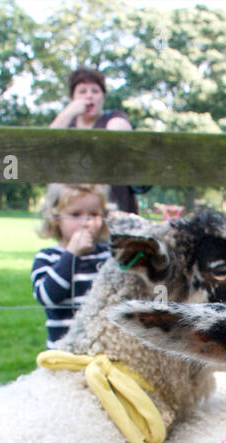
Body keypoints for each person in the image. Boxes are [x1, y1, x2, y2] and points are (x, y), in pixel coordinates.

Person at [50, 67, 141, 215]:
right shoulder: (66, 124)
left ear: (103, 96)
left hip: (114, 204)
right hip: (74, 208)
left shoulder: (114, 117)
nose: (89, 96)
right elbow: (45, 145)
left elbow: (117, 135)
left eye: (95, 91)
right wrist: (68, 113)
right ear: (73, 97)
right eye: (82, 91)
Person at [32, 183, 112, 345]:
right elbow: (48, 297)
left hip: (102, 350)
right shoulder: (47, 258)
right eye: (76, 214)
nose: (86, 222)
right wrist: (71, 255)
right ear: (55, 217)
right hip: (63, 355)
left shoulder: (107, 256)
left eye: (94, 214)